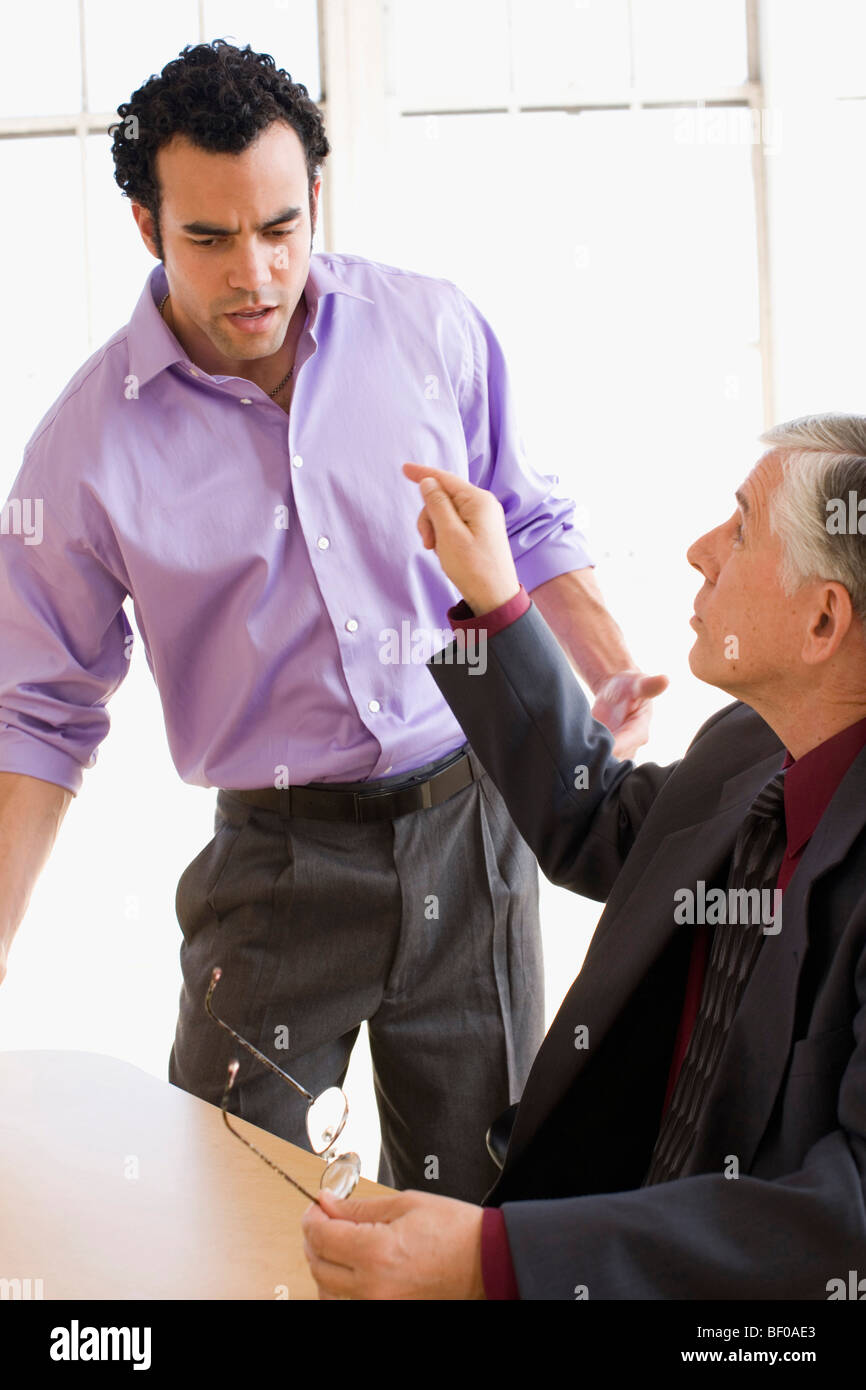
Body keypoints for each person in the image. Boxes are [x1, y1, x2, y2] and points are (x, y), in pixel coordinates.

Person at [0, 40, 661, 1202]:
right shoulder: (87, 444)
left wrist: (606, 672)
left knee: (480, 1212)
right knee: (232, 1209)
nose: (254, 273)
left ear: (316, 197)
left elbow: (526, 514)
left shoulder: (428, 328)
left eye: (280, 227)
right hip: (275, 864)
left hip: (472, 826)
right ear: (149, 228)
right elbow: (38, 714)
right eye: (209, 238)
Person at [301, 412, 866, 1298]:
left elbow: (845, 1225)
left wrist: (491, 1260)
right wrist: (497, 602)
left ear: (823, 620)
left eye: (741, 527)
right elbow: (601, 821)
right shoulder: (750, 744)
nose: (699, 551)